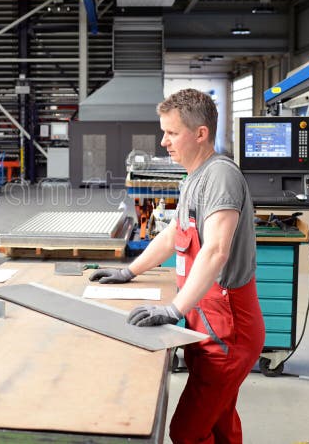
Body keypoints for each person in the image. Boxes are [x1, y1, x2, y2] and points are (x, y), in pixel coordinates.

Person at [90, 88, 265, 444]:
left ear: (200, 134)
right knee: (220, 421)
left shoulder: (220, 177)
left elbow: (216, 250)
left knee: (185, 432)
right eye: (164, 131)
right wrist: (129, 271)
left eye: (171, 133)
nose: (163, 141)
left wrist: (173, 309)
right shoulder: (193, 179)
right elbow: (172, 235)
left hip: (229, 330)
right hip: (207, 322)